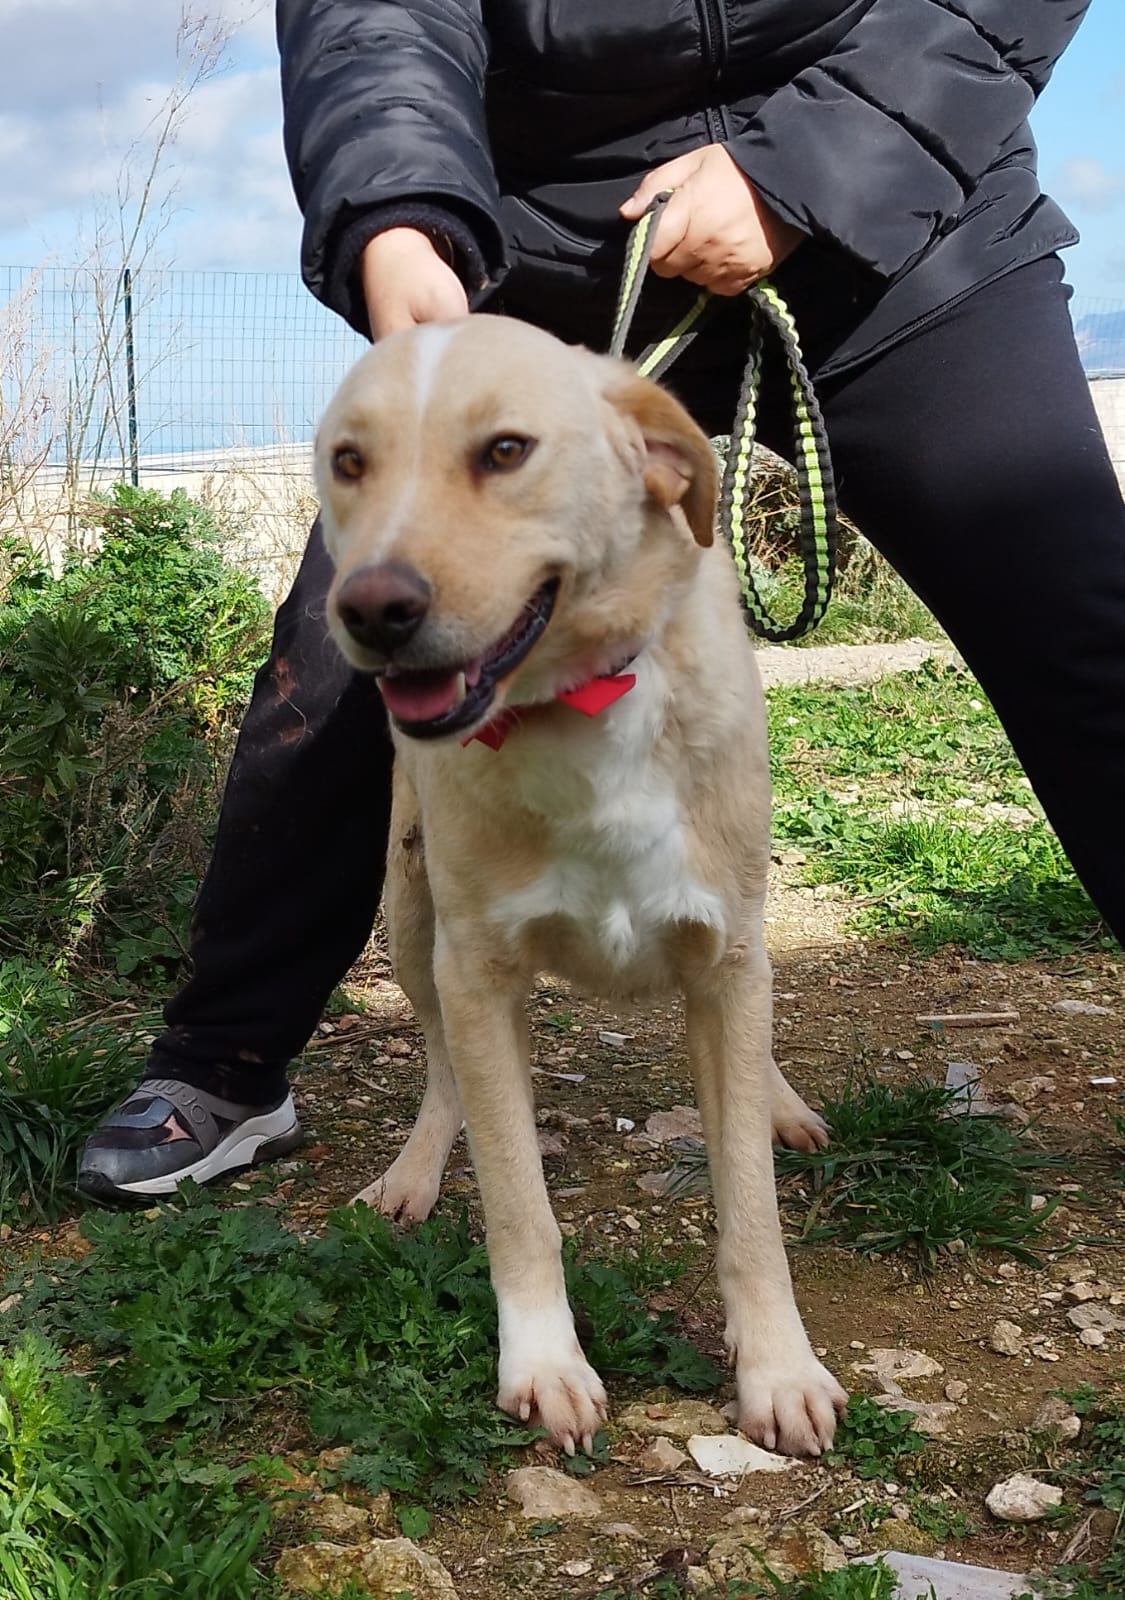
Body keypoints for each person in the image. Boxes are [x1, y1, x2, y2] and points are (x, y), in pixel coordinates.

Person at [79, 0, 1121, 1202]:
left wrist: (802, 167)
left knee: (1090, 627)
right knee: (338, 670)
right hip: (554, 254)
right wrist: (399, 212)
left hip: (898, 220)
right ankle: (226, 1059)